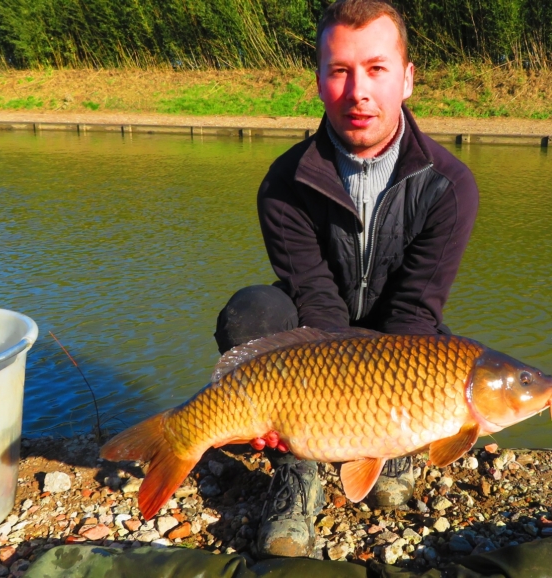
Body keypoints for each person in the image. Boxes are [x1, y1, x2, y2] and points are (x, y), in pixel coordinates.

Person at [213, 0, 479, 559]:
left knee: (445, 351)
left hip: (399, 332)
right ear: (318, 81)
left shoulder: (449, 186)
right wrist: (302, 414)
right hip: (318, 331)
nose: (358, 90)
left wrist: (377, 410)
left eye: (377, 69)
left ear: (406, 79)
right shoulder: (283, 182)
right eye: (340, 71)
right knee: (252, 314)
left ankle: (396, 448)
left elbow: (414, 310)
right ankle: (297, 474)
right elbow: (314, 302)